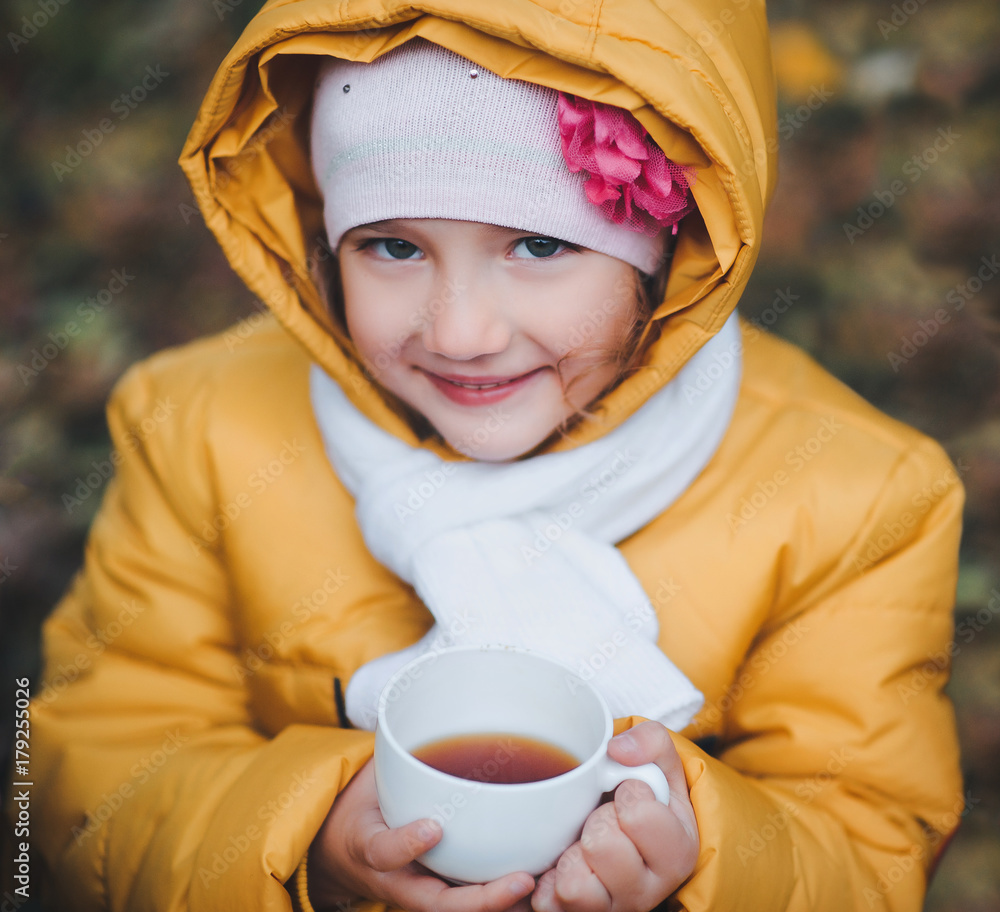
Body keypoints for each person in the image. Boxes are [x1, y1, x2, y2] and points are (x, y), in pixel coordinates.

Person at [23, 1, 964, 910]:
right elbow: (99, 770)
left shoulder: (854, 496)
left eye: (540, 244)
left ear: (664, 250)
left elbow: (868, 847)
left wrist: (701, 855)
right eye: (392, 246)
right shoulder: (202, 425)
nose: (463, 331)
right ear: (323, 244)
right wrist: (309, 836)